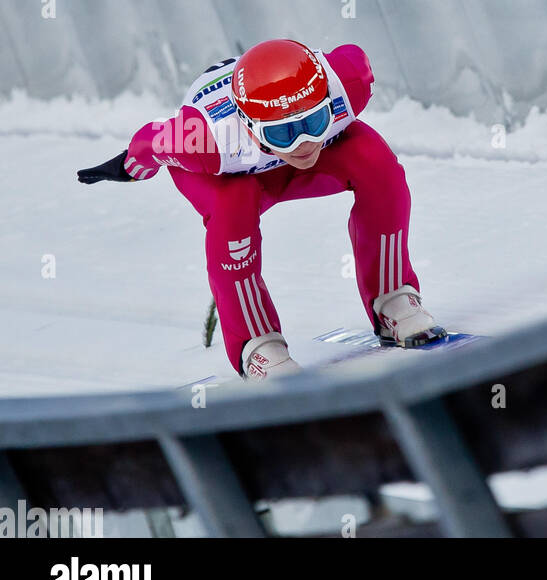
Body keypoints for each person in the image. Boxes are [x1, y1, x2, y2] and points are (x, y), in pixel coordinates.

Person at [76, 39, 445, 380]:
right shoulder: (205, 140)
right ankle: (257, 343)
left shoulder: (346, 85)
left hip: (277, 158)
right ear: (249, 125)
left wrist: (296, 135)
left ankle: (392, 298)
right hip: (229, 174)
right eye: (284, 132)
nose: (304, 143)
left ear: (328, 103)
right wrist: (129, 167)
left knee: (379, 167)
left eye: (314, 122)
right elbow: (150, 144)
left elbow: (344, 72)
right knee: (231, 211)